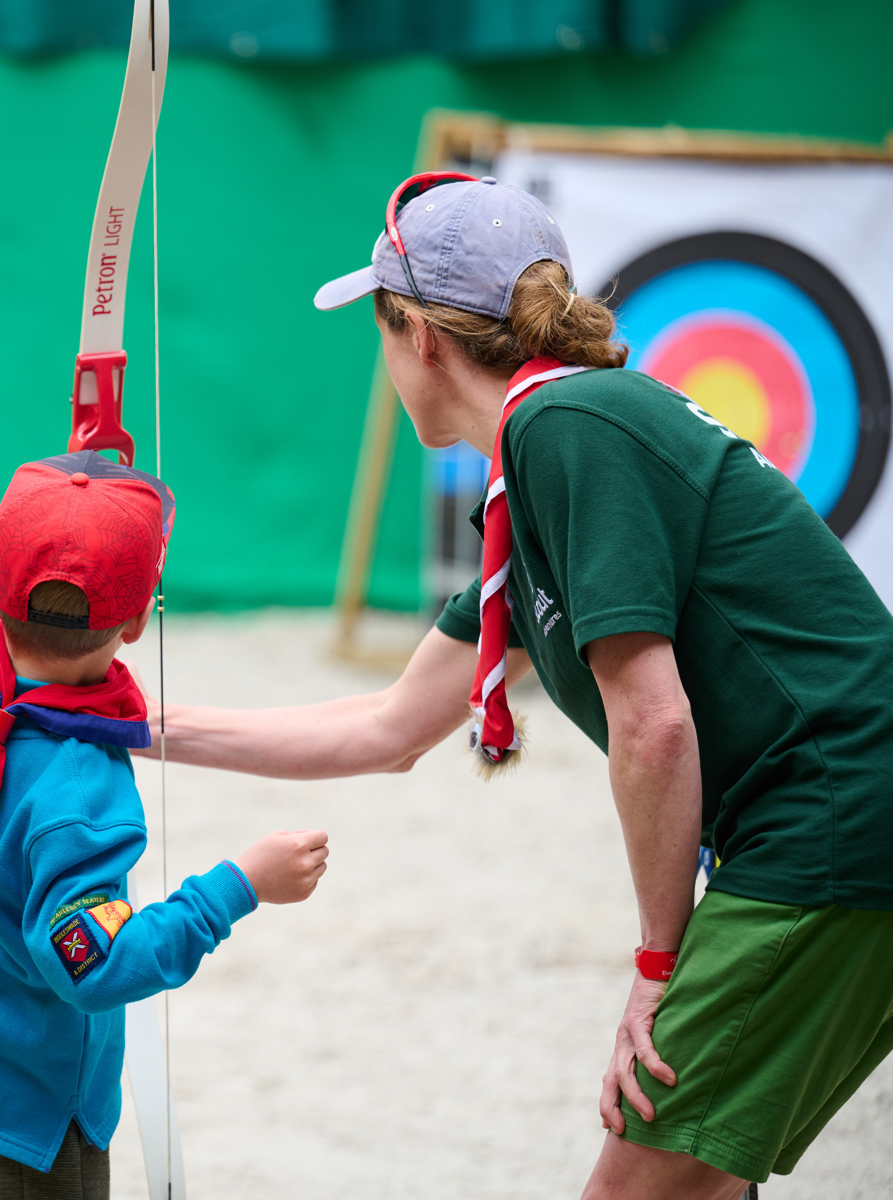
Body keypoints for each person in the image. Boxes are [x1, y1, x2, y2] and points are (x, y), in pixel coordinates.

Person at [143, 176, 893, 1199]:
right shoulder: (546, 455)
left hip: (832, 816)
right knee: (703, 1184)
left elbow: (655, 725)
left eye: (379, 327)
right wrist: (131, 724)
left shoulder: (566, 427)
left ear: (420, 336)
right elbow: (388, 728)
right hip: (832, 815)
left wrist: (658, 966)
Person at [0, 450, 330, 1199]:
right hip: (23, 1118)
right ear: (136, 623)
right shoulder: (80, 795)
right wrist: (237, 887)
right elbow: (92, 965)